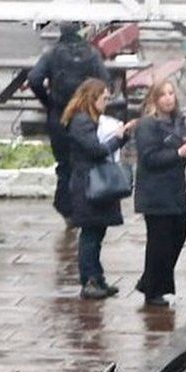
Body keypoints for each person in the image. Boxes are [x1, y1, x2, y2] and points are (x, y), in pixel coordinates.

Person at [27, 22, 111, 224]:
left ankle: (66, 208)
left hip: (59, 116)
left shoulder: (52, 54)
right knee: (85, 162)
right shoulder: (92, 54)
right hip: (85, 115)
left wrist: (48, 102)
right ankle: (83, 206)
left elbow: (34, 78)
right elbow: (105, 80)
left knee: (64, 164)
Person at [63, 79, 137, 299]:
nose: (106, 103)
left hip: (90, 182)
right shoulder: (81, 122)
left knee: (96, 232)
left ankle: (97, 276)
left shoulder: (87, 120)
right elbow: (96, 150)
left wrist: (121, 137)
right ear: (92, 98)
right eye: (104, 98)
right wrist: (118, 138)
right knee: (90, 234)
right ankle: (90, 280)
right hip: (88, 184)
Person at [134, 79, 186, 308]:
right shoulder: (147, 125)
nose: (168, 98)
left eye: (171, 93)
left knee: (179, 233)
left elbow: (181, 156)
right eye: (163, 94)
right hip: (155, 194)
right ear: (154, 100)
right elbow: (149, 158)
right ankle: (153, 291)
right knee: (159, 242)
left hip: (174, 191)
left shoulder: (177, 122)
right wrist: (179, 154)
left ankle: (150, 280)